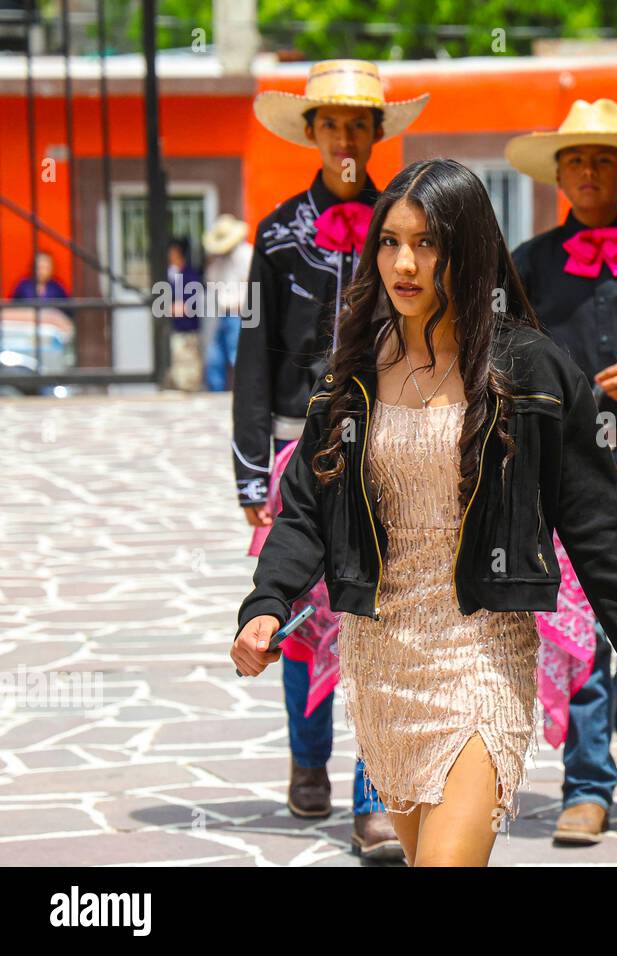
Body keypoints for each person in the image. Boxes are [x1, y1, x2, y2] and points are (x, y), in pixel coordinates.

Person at [231, 158, 617, 867]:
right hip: (384, 656)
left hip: (482, 652)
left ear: (469, 249)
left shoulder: (532, 374)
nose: (404, 263)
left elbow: (597, 528)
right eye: (390, 242)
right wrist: (266, 602)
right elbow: (306, 511)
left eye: (428, 243)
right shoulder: (351, 373)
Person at [232, 59, 428, 862]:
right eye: (331, 124)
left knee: (376, 613)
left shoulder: (409, 227)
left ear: (377, 133)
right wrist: (253, 473)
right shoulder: (276, 237)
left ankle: (373, 792)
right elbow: (252, 355)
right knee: (304, 616)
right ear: (310, 133)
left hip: (388, 444)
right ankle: (308, 756)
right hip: (296, 452)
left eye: (360, 124)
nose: (345, 138)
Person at [506, 98, 617, 845]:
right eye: (574, 159)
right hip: (565, 467)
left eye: (601, 159)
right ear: (559, 174)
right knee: (578, 627)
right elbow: (507, 364)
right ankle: (588, 784)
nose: (586, 171)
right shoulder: (528, 264)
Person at [202, 215, 254, 392]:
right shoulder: (219, 260)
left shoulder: (246, 255)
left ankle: (246, 393)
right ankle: (217, 394)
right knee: (215, 359)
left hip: (240, 314)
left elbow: (253, 286)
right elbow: (211, 280)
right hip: (224, 314)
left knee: (238, 357)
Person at [164, 237, 204, 392]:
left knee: (188, 365)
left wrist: (177, 308)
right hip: (171, 329)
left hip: (187, 328)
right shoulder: (166, 274)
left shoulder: (190, 275)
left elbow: (189, 305)